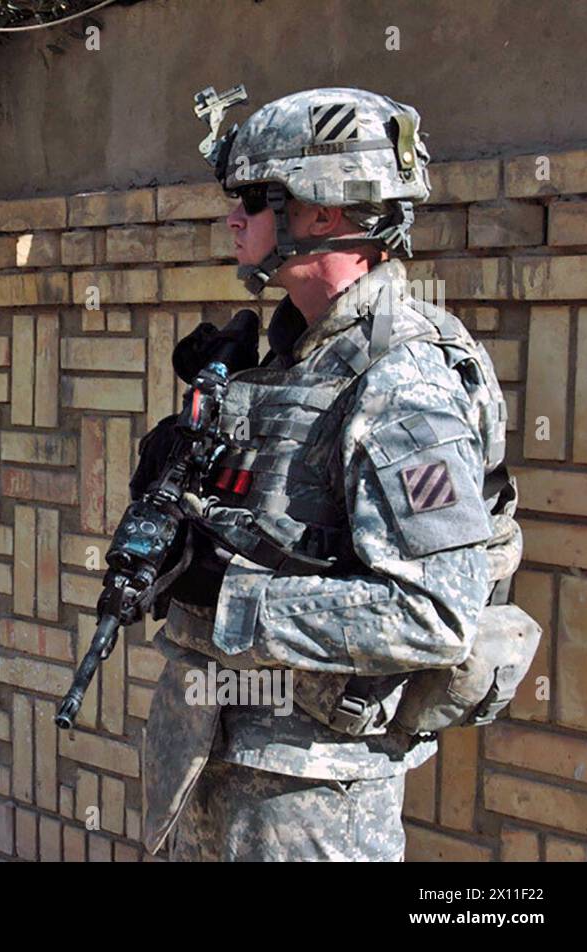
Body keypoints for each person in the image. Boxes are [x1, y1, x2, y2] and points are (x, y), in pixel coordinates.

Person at [132, 87, 522, 861]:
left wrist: (231, 595)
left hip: (309, 801)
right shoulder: (284, 357)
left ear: (323, 213)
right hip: (209, 764)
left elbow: (432, 615)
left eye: (254, 197)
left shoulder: (405, 382)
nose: (233, 217)